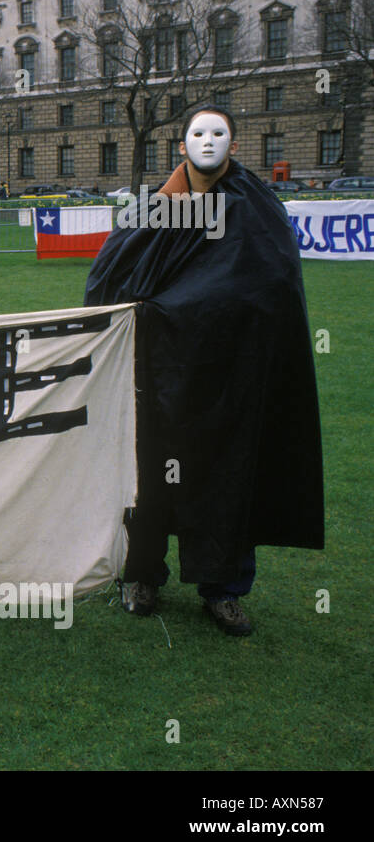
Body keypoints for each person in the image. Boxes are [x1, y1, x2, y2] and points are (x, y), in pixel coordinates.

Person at [84, 106, 323, 636]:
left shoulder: (256, 208)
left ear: (234, 144)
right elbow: (110, 281)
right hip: (158, 373)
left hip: (231, 374)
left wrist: (196, 308)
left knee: (228, 475)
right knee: (150, 475)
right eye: (198, 133)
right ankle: (141, 575)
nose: (208, 142)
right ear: (181, 145)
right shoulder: (156, 208)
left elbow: (274, 283)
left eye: (219, 133)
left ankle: (224, 589)